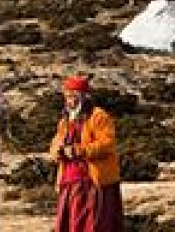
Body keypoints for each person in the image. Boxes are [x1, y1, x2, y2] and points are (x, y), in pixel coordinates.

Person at [48, 75, 124, 232]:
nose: (69, 100)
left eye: (73, 96)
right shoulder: (65, 121)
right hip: (68, 182)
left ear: (83, 96)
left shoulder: (99, 116)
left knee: (93, 225)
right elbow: (54, 145)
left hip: (93, 181)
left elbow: (107, 144)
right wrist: (59, 151)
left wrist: (79, 150)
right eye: (67, 96)